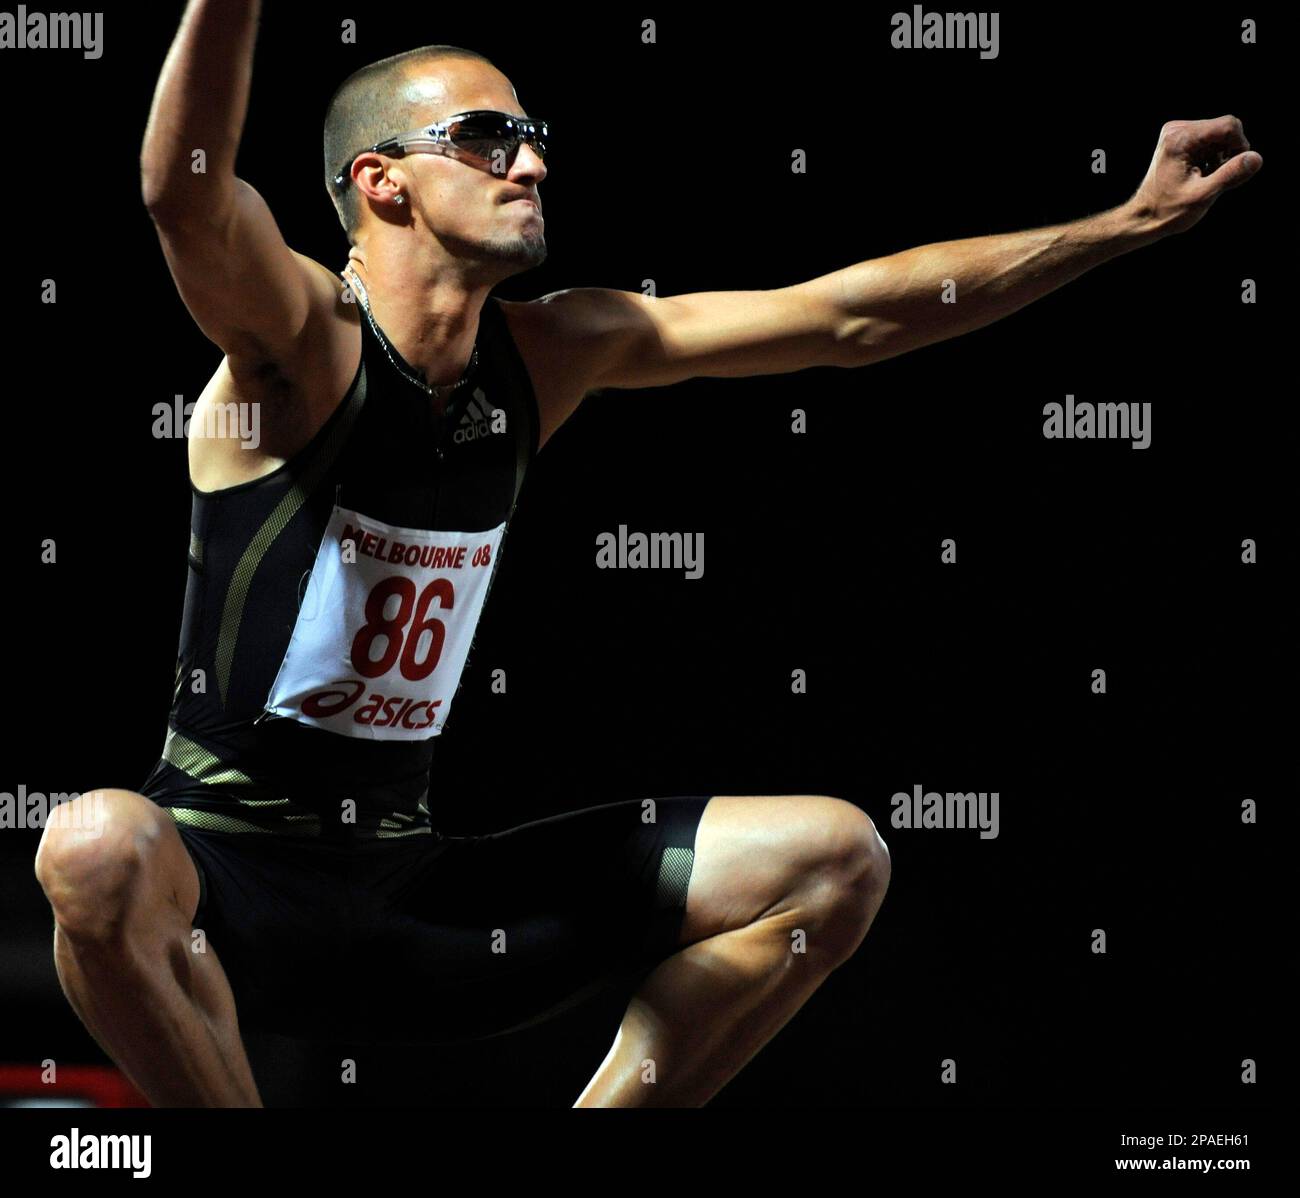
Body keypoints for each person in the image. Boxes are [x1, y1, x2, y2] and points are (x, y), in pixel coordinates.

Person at [33, 2, 1258, 1109]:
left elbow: (850, 317)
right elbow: (183, 198)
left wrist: (1122, 224)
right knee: (92, 843)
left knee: (833, 857)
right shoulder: (299, 345)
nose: (533, 160)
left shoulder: (556, 352)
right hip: (227, 905)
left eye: (534, 133)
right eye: (486, 137)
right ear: (382, 182)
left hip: (417, 901)